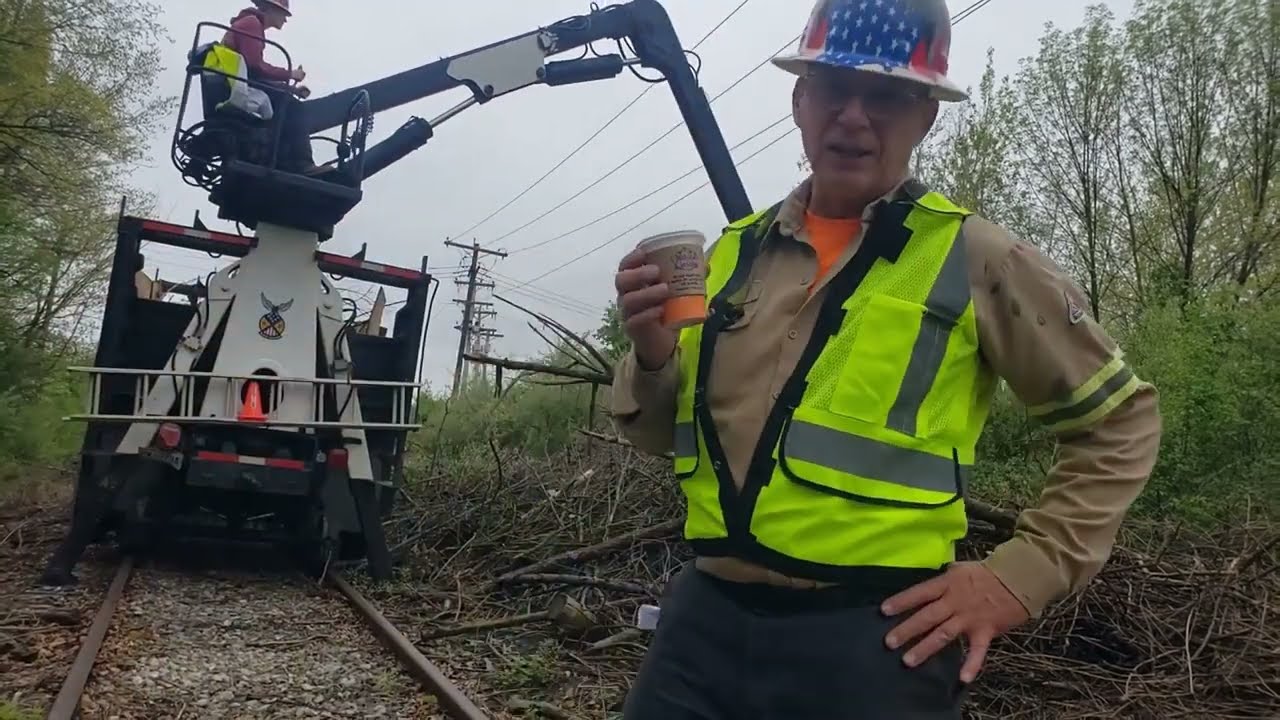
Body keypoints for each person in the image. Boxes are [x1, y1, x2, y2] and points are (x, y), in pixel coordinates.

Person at [610, 0, 1162, 718]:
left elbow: (1119, 424)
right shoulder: (731, 254)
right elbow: (659, 435)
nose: (854, 117)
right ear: (800, 99)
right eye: (834, 88)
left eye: (888, 96)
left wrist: (1016, 578)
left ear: (927, 114)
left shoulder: (978, 258)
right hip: (703, 623)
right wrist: (651, 355)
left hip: (877, 640)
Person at [221, 0, 325, 175]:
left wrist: (290, 89)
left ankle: (281, 161)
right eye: (284, 14)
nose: (285, 19)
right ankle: (303, 164)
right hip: (237, 87)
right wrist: (289, 74)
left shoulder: (251, 24)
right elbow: (255, 66)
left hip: (238, 84)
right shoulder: (251, 24)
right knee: (294, 107)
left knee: (286, 100)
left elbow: (254, 74)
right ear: (271, 9)